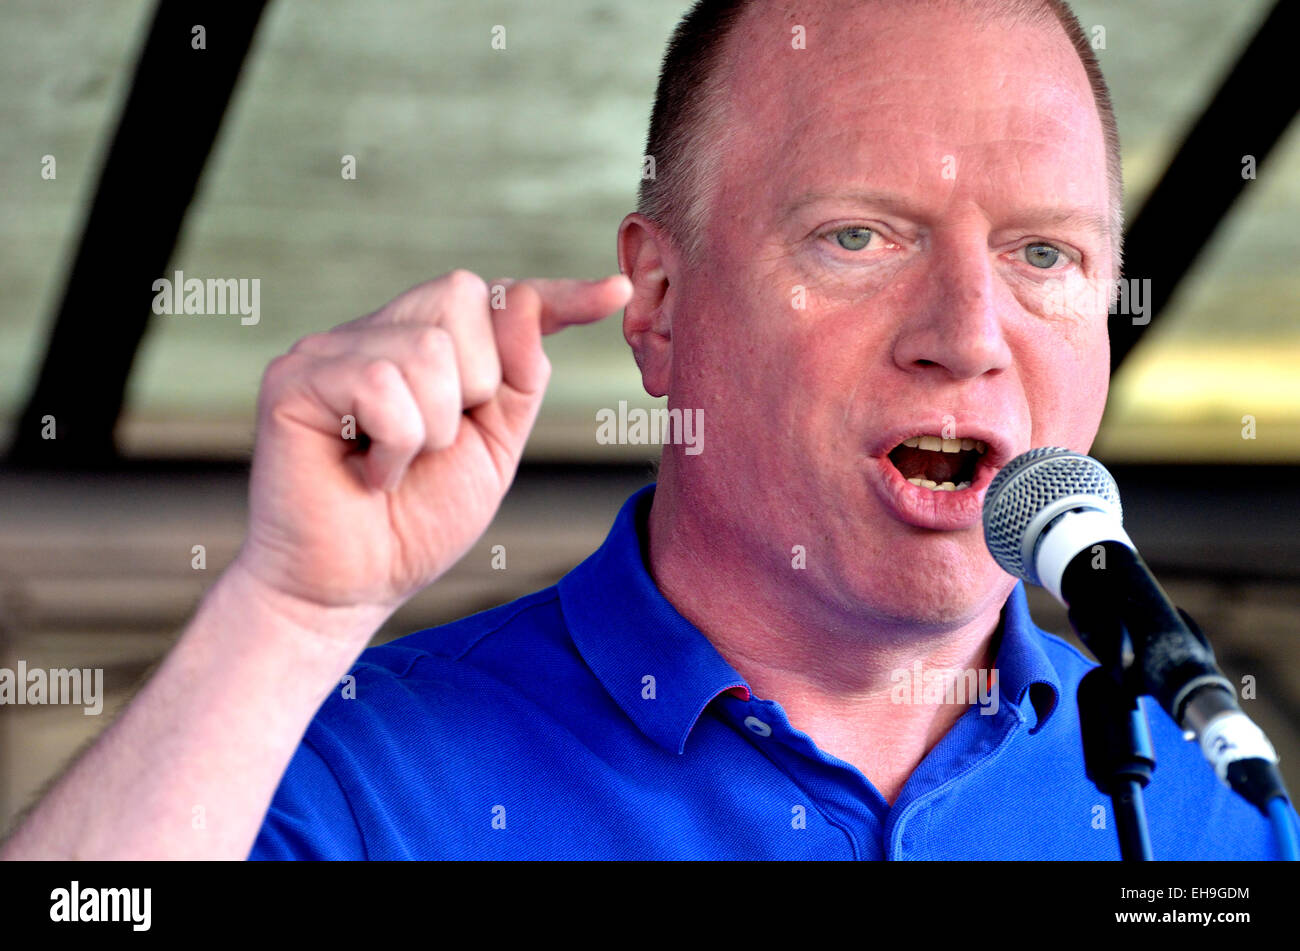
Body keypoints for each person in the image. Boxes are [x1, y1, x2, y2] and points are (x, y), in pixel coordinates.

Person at [2, 0, 1291, 860]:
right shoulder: (360, 780)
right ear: (662, 305)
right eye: (858, 237)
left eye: (1046, 255)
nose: (968, 329)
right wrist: (283, 616)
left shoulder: (1206, 794)